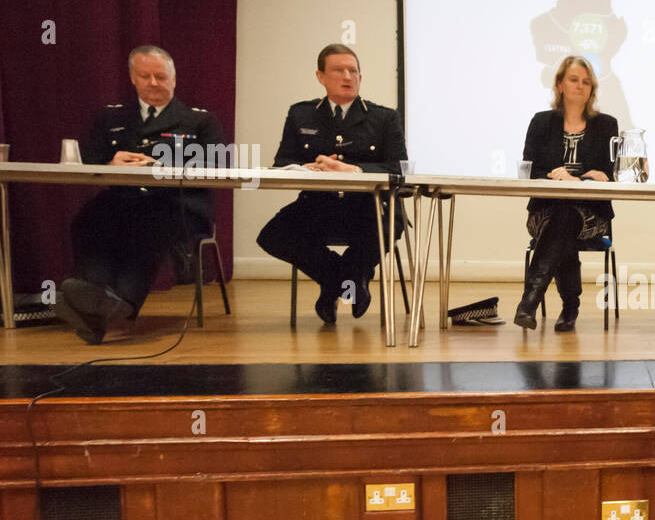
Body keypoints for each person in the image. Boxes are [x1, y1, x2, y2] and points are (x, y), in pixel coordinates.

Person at [57, 45, 223, 344]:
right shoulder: (112, 118)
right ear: (133, 77)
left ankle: (120, 301)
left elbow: (218, 166)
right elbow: (87, 161)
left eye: (160, 76)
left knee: (146, 226)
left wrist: (160, 165)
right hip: (123, 199)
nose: (154, 83)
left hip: (179, 204)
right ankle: (97, 296)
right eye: (145, 76)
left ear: (174, 78)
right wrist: (111, 163)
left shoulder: (199, 121)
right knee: (88, 220)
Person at [256, 44, 407, 325]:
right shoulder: (301, 114)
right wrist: (307, 168)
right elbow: (281, 163)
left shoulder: (384, 117)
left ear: (361, 77)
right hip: (318, 207)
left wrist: (354, 169)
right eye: (338, 70)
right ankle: (344, 280)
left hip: (367, 210)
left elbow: (400, 169)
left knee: (388, 227)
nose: (347, 76)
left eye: (354, 71)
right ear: (320, 76)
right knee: (272, 235)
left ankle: (334, 287)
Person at [514, 55, 618, 332]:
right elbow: (529, 170)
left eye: (586, 82)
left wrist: (576, 178)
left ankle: (529, 301)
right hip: (544, 212)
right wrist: (550, 175)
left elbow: (608, 173)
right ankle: (569, 306)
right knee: (562, 219)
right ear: (560, 84)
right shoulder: (541, 122)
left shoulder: (607, 125)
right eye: (574, 80)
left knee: (566, 219)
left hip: (591, 215)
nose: (580, 86)